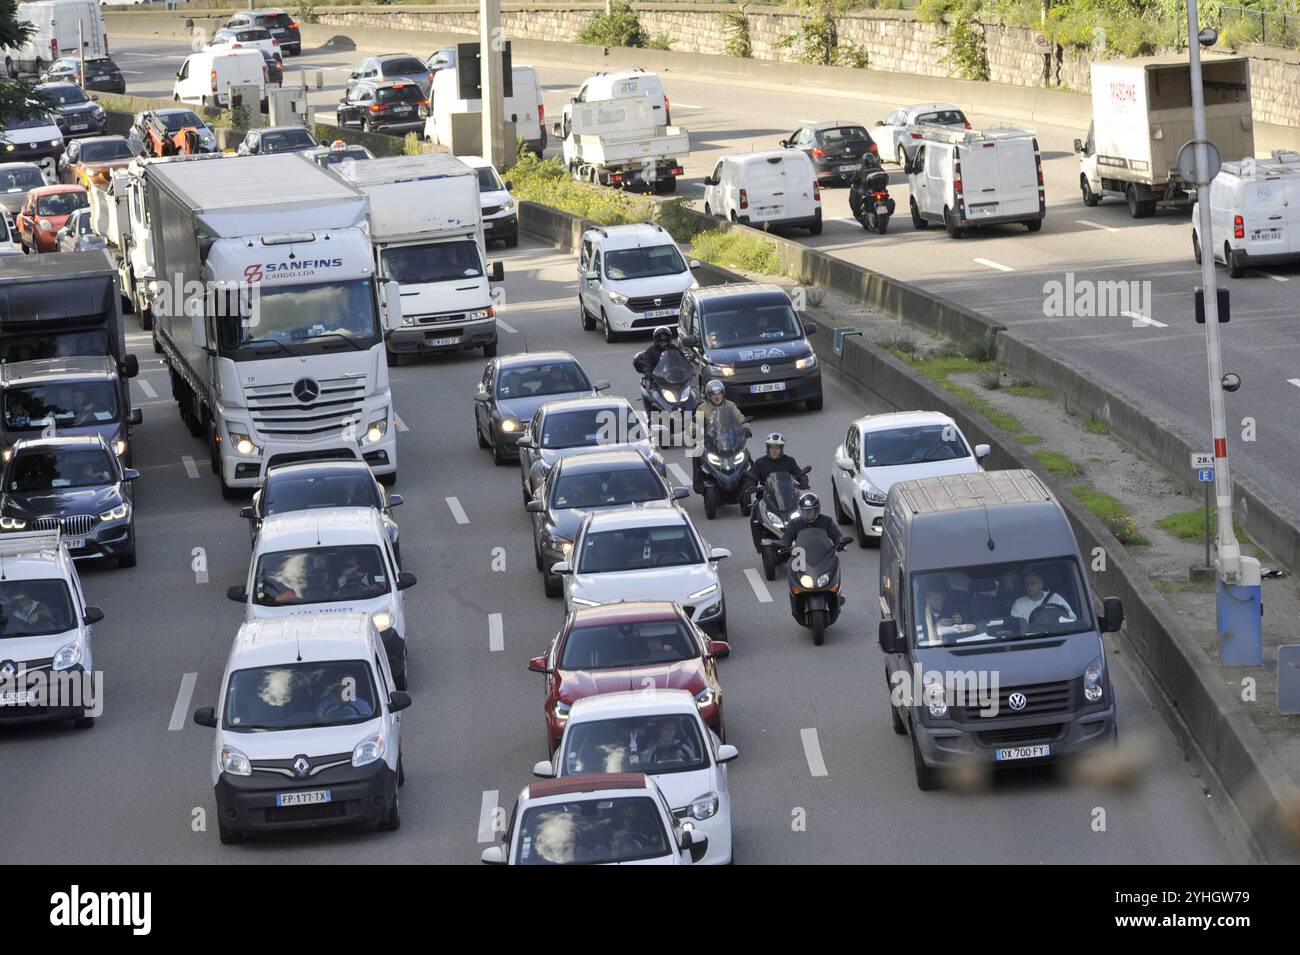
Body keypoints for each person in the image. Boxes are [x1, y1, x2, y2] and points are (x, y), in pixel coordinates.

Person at [690, 379, 743, 492]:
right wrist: (696, 431)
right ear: (709, 395)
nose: (717, 396)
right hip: (710, 440)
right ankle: (698, 481)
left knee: (745, 452)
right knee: (696, 453)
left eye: (719, 393)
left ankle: (748, 478)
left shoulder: (730, 405)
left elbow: (740, 418)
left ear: (723, 394)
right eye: (713, 394)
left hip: (729, 440)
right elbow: (695, 425)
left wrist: (746, 428)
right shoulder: (702, 408)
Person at [777, 491, 845, 555]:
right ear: (800, 511)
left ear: (817, 510)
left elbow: (835, 534)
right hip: (800, 556)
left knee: (834, 563)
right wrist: (783, 544)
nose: (808, 513)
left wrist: (840, 540)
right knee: (786, 563)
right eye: (805, 511)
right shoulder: (795, 523)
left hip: (823, 555)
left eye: (811, 510)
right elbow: (787, 536)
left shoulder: (826, 521)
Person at [1010, 569, 1076, 625]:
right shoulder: (1019, 603)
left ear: (1041, 584)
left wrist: (1065, 613)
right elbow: (1014, 625)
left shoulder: (1055, 598)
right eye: (1027, 585)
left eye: (1032, 584)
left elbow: (1073, 619)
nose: (1029, 587)